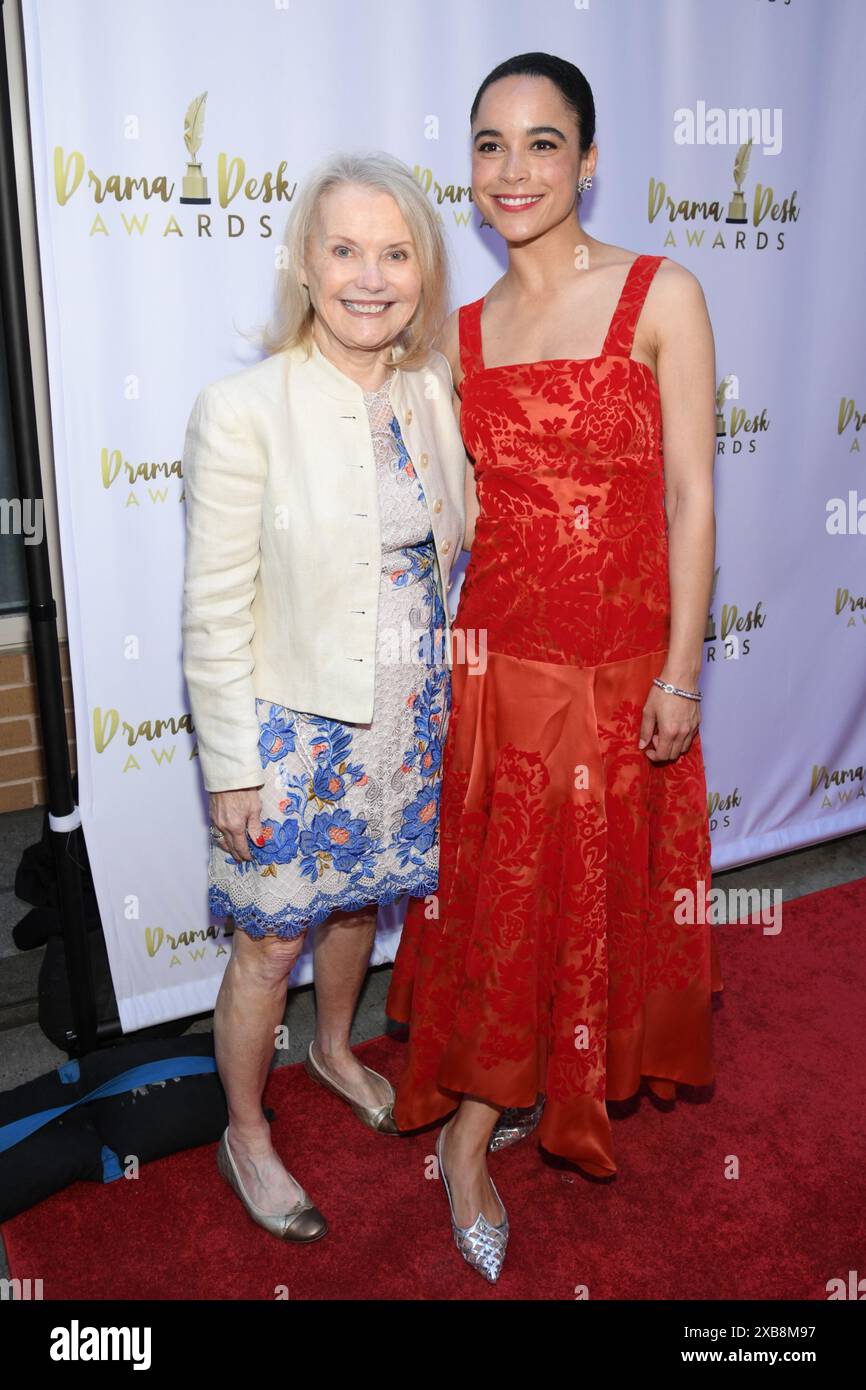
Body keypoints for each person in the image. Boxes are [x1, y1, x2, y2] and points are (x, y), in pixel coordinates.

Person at [386, 52, 723, 1283]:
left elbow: (689, 495)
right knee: (507, 901)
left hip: (624, 664)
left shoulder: (660, 294)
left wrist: (680, 673)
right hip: (504, 668)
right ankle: (473, 1137)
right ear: (467, 170)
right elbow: (460, 509)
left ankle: (521, 1096)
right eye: (489, 144)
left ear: (586, 159)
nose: (512, 169)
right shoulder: (462, 333)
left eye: (541, 143)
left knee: (583, 906)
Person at [181, 151, 466, 1242]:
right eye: (344, 249)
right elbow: (212, 607)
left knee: (358, 903)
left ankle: (337, 1048)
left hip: (408, 711)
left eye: (394, 253)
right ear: (304, 262)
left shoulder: (427, 389)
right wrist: (233, 765)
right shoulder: (242, 408)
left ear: (420, 272)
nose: (368, 275)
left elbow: (449, 550)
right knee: (266, 942)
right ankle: (244, 1129)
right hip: (293, 732)